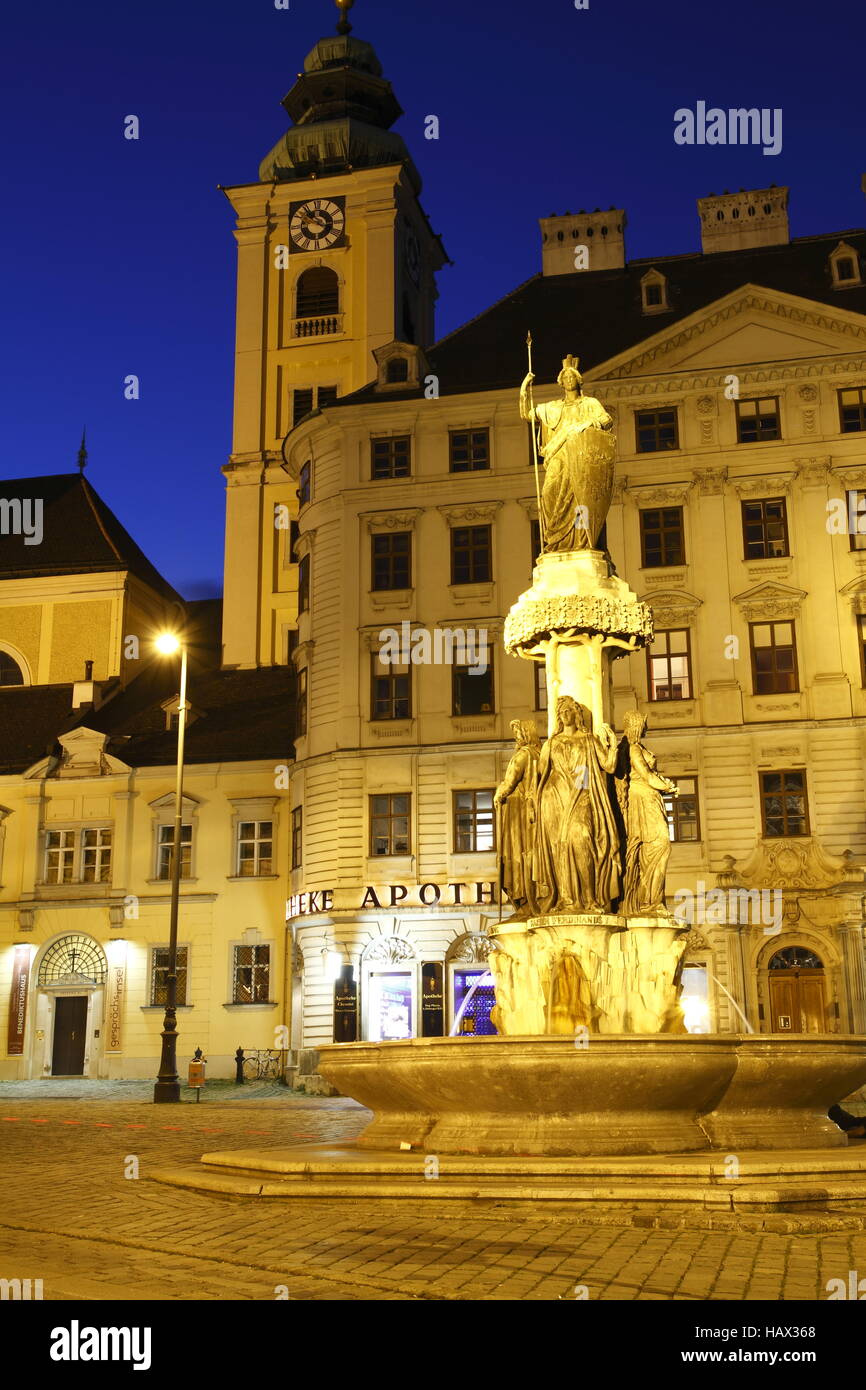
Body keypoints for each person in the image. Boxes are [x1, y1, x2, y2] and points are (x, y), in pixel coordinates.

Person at [533, 695, 620, 914]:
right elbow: (540, 773)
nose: (565, 715)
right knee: (560, 848)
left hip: (582, 794)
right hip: (555, 800)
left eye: (569, 711)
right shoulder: (551, 743)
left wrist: (614, 746)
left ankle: (590, 899)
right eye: (561, 712)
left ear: (577, 714)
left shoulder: (588, 739)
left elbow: (608, 766)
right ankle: (566, 898)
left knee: (582, 839)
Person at [519, 355, 615, 553]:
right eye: (565, 378)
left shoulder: (590, 404)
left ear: (579, 380)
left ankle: (583, 541)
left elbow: (606, 420)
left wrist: (589, 423)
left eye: (572, 377)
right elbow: (527, 414)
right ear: (561, 383)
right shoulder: (553, 408)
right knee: (548, 494)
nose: (569, 381)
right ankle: (556, 541)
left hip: (581, 460)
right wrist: (524, 388)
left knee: (582, 499)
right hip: (559, 457)